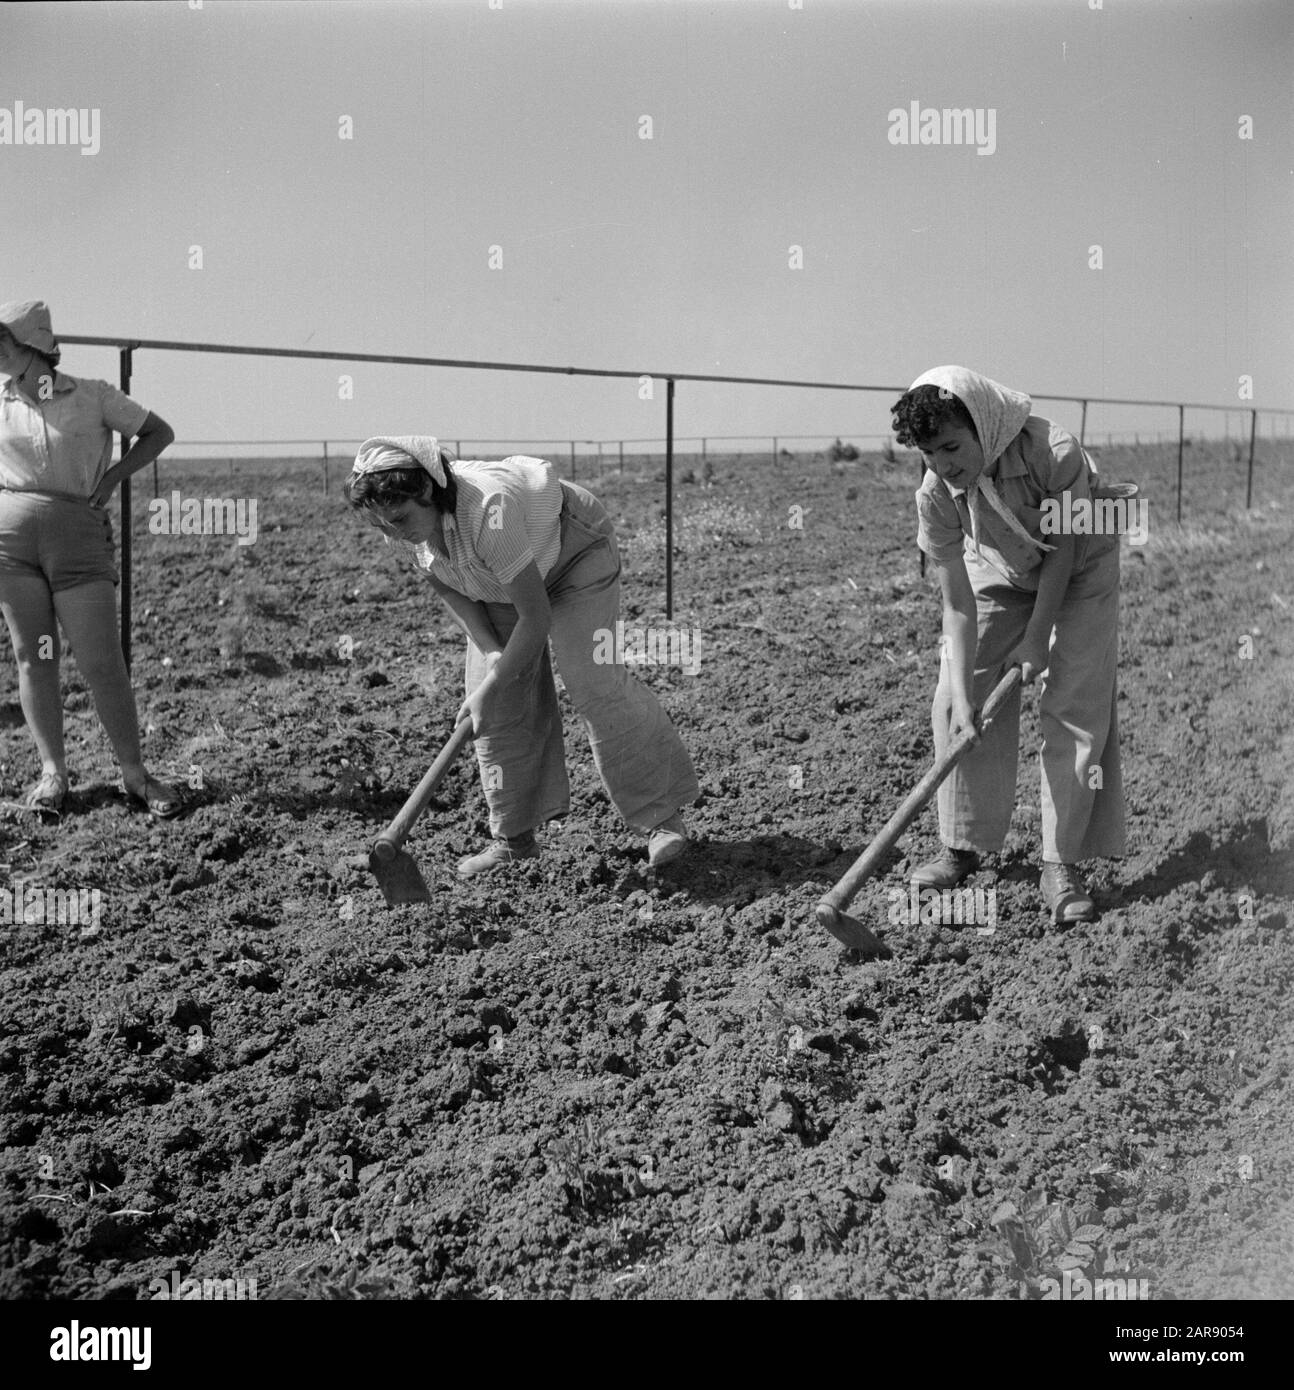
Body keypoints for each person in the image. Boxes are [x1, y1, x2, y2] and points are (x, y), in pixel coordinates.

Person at [345, 436, 699, 876]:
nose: (394, 532)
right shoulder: (408, 529)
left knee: (590, 678)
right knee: (495, 701)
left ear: (428, 492)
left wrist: (491, 686)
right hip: (499, 578)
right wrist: (492, 654)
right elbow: (450, 588)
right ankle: (513, 842)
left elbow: (536, 617)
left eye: (399, 518)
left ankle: (662, 820)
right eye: (382, 526)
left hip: (572, 552)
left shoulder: (487, 510)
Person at [892, 365, 1125, 923]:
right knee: (955, 695)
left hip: (1083, 564)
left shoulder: (1055, 452)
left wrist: (1037, 640)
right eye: (930, 454)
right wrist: (968, 695)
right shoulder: (936, 495)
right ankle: (962, 845)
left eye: (952, 446)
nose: (945, 465)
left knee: (1073, 706)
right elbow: (957, 606)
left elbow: (1063, 556)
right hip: (999, 565)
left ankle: (1060, 863)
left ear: (984, 426)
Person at [0, 300, 182, 817]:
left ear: (33, 343)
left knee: (101, 660)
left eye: (2, 341)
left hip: (77, 543)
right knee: (34, 657)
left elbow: (158, 432)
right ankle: (52, 776)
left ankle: (135, 775)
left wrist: (112, 479)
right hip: (11, 552)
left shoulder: (92, 396)